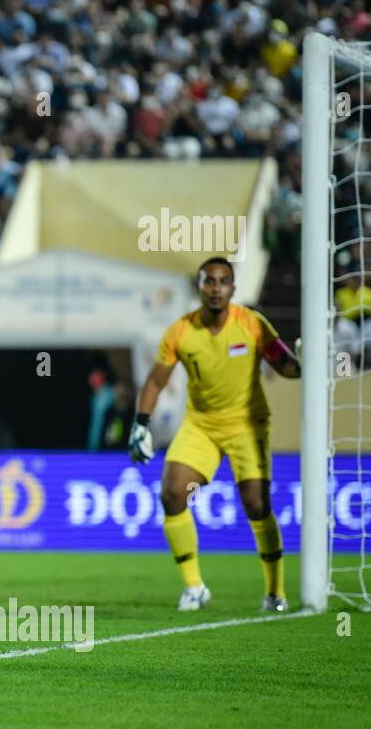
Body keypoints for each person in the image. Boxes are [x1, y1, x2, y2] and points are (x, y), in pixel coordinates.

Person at [129, 257, 301, 612]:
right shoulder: (181, 331)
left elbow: (282, 364)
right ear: (200, 286)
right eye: (209, 281)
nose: (216, 288)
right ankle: (194, 586)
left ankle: (274, 592)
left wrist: (306, 362)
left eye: (223, 282)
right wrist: (140, 423)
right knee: (173, 493)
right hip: (201, 425)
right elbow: (157, 380)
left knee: (256, 503)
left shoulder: (251, 324)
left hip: (246, 424)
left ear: (233, 289)